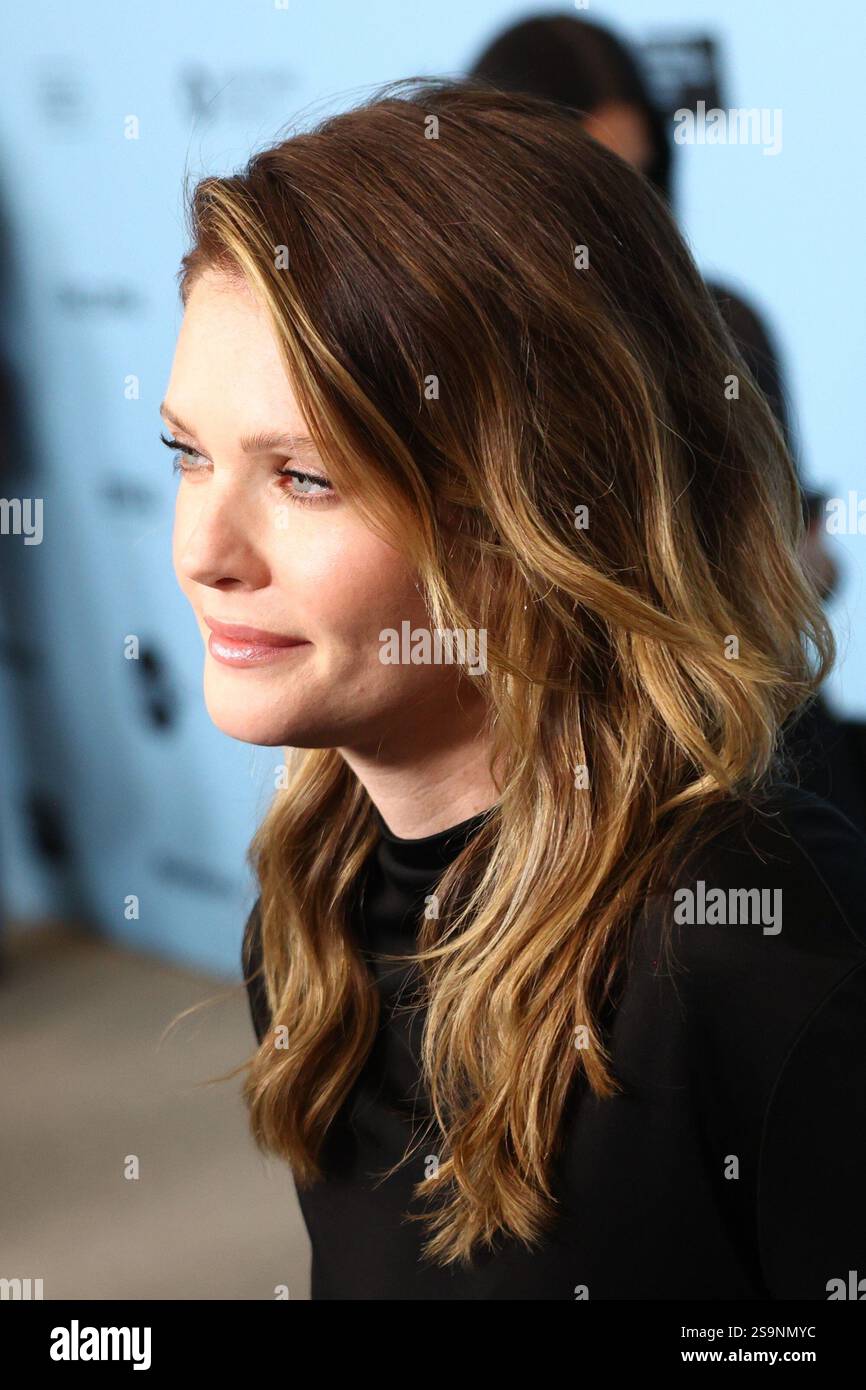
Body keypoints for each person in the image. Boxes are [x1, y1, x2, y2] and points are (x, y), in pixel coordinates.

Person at [163, 78, 866, 1299]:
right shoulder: (317, 902)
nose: (202, 551)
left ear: (532, 512)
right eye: (188, 455)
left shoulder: (747, 937)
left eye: (306, 478)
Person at [469, 12, 866, 836]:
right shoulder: (463, 370)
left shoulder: (722, 325)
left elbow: (798, 572)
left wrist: (789, 563)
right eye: (587, 194)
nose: (623, 226)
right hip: (564, 785)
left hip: (757, 746)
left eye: (639, 183)